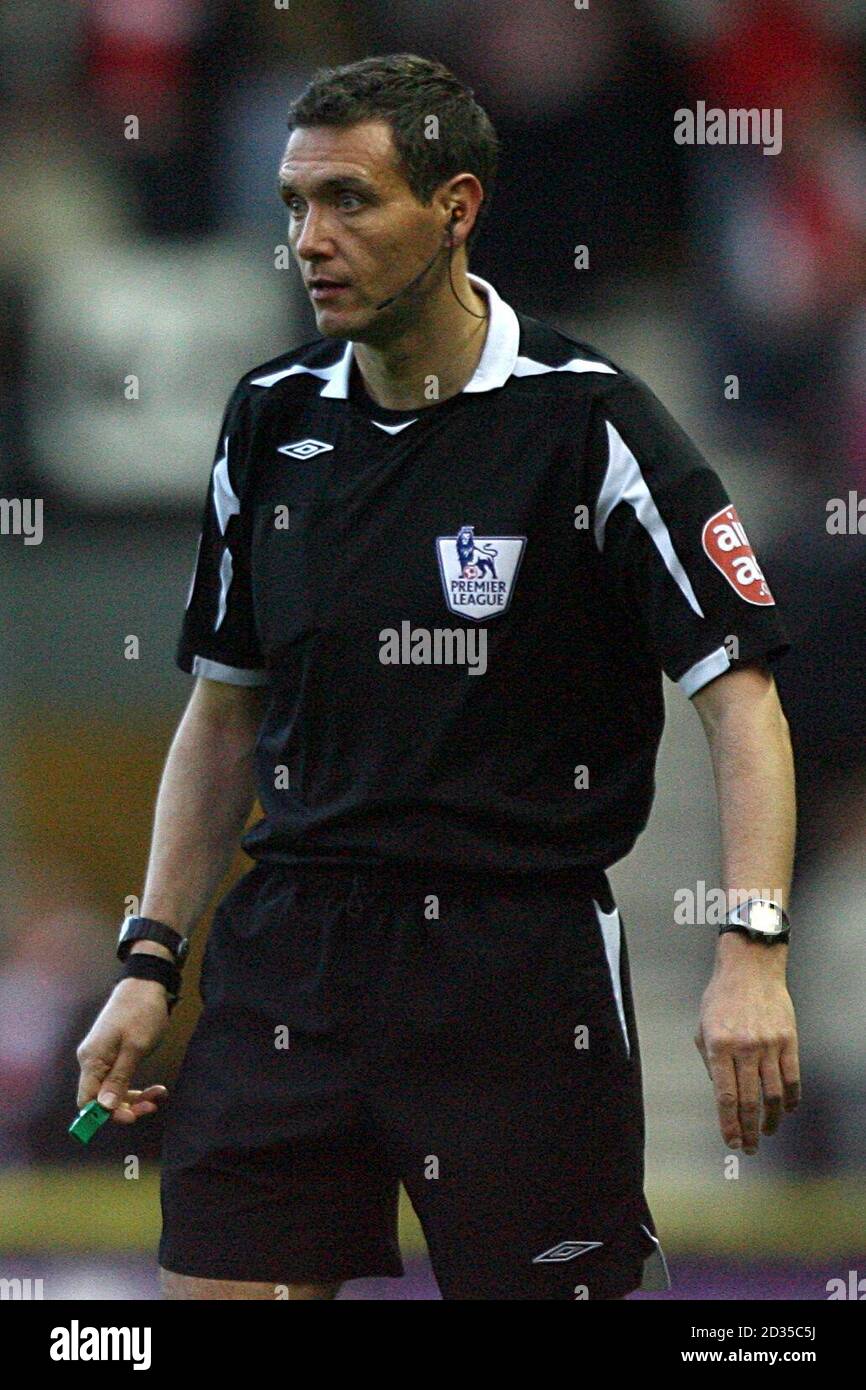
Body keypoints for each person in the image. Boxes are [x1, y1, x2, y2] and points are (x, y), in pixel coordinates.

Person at [75, 53, 800, 1301]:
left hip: (513, 973)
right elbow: (221, 713)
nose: (311, 238)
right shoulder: (266, 420)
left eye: (350, 200)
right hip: (291, 958)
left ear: (456, 207)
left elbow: (739, 701)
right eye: (295, 205)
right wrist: (149, 956)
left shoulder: (593, 424)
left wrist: (749, 949)